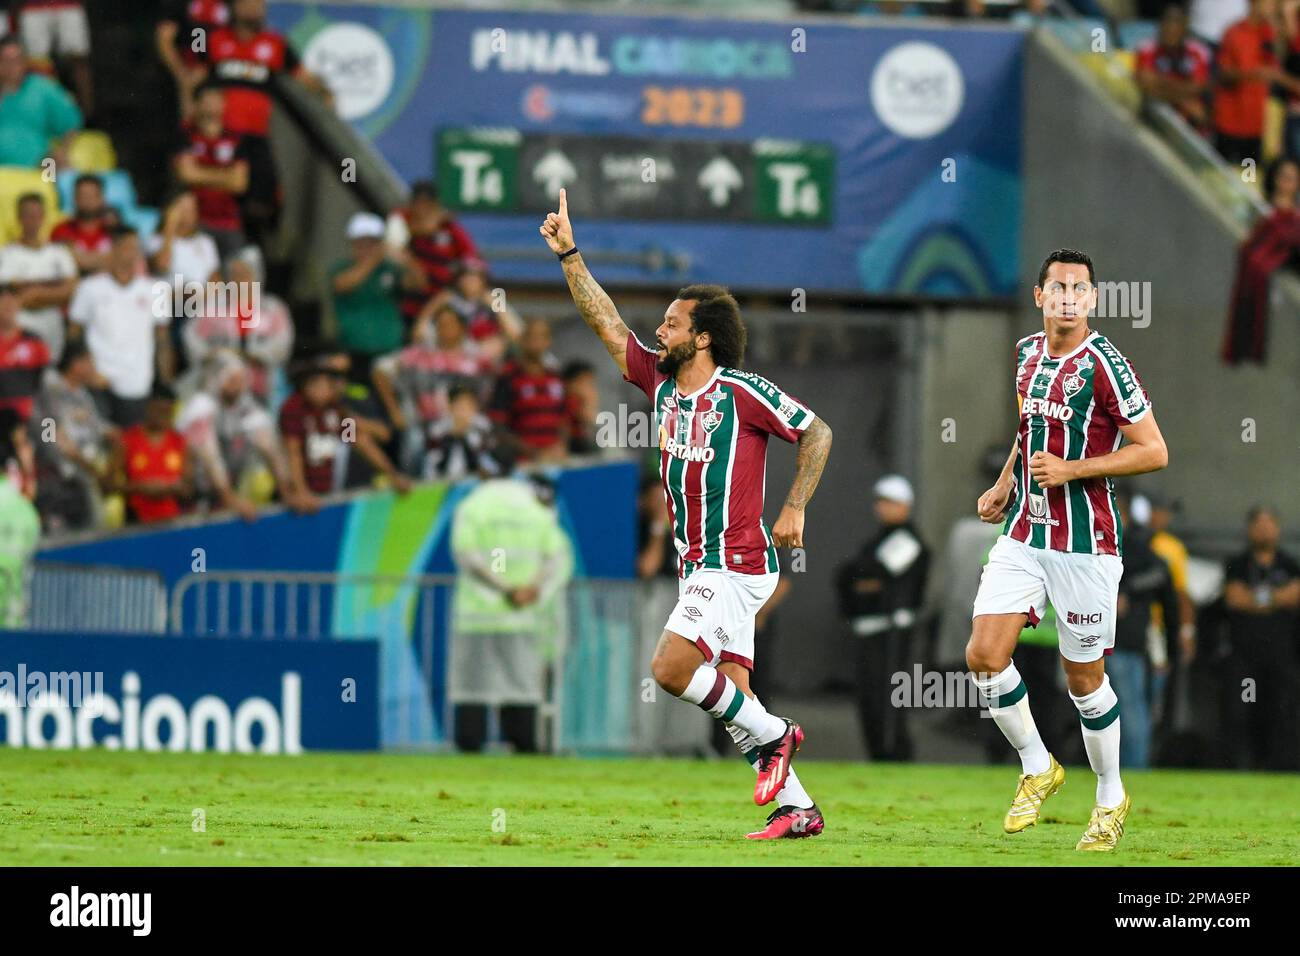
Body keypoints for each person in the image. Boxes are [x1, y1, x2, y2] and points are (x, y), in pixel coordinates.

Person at [540, 188, 834, 839]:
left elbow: (818, 433)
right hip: (700, 562)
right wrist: (570, 256)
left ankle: (780, 736)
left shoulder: (743, 392)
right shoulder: (659, 382)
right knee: (735, 695)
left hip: (734, 561)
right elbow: (607, 324)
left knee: (670, 669)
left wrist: (794, 505)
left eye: (672, 324)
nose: (660, 331)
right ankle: (799, 808)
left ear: (702, 337)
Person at [969, 248, 1169, 852]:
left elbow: (1154, 449)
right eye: (1056, 286)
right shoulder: (1027, 352)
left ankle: (1109, 795)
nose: (1066, 296)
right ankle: (1037, 764)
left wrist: (1074, 468)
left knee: (1083, 679)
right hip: (1025, 535)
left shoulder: (1107, 365)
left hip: (1087, 546)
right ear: (1039, 296)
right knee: (983, 656)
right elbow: (1030, 429)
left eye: (1078, 288)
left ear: (1092, 300)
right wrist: (1007, 480)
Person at [449, 475, 573, 753]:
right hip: (522, 617)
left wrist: (505, 589)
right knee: (520, 686)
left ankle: (469, 748)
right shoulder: (535, 507)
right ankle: (523, 745)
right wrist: (531, 590)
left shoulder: (473, 505)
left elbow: (466, 553)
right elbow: (558, 557)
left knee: (473, 688)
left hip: (476, 616)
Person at [835, 474, 930, 762]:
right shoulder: (877, 540)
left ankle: (894, 756)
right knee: (869, 699)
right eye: (880, 502)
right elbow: (847, 577)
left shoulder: (909, 541)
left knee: (888, 698)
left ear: (905, 506)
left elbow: (870, 572)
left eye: (889, 502)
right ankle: (878, 755)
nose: (882, 508)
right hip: (869, 632)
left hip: (891, 633)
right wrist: (861, 582)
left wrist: (863, 582)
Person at [67, 225, 174, 427]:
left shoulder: (156, 291)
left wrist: (163, 382)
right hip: (98, 381)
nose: (132, 253)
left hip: (137, 383)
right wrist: (87, 372)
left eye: (136, 248)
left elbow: (163, 340)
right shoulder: (90, 288)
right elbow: (74, 335)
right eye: (127, 247)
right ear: (114, 250)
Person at [1220, 506, 1300, 770]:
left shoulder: (1290, 564)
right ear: (1250, 529)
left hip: (1280, 658)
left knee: (1280, 712)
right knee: (1244, 708)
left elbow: (1295, 596)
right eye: (1259, 524)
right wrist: (1277, 597)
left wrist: (1254, 598)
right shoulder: (1239, 564)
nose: (1264, 529)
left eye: (1269, 523)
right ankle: (1244, 767)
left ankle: (1279, 769)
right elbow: (1234, 598)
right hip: (1246, 660)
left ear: (1277, 528)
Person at [371, 302, 493, 473]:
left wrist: (468, 413)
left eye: (451, 323)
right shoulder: (419, 355)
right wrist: (394, 411)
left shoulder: (476, 359)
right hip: (424, 424)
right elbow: (380, 370)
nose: (445, 328)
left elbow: (488, 389)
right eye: (441, 324)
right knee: (414, 442)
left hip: (465, 423)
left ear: (462, 327)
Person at [277, 356, 410, 512]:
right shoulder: (293, 409)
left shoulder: (336, 409)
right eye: (323, 382)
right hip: (297, 495)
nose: (331, 386)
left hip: (326, 491)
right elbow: (293, 453)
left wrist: (392, 474)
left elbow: (360, 442)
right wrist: (301, 491)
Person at [1108, 492, 1179, 770]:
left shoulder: (1134, 546)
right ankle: (1107, 771)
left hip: (1125, 641)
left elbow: (1161, 576)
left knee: (1130, 707)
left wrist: (1126, 591)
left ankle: (1133, 770)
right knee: (1102, 708)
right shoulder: (1088, 542)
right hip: (1085, 642)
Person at [32, 340, 116, 533]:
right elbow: (49, 439)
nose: (94, 366)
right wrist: (91, 469)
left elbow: (97, 428)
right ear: (76, 364)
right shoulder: (48, 393)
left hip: (86, 475)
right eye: (89, 360)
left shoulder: (83, 395)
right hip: (60, 479)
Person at [1224, 157, 1300, 364]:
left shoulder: (1295, 219)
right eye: (1284, 177)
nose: (1287, 183)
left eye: (1293, 179)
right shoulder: (1261, 210)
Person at [329, 212, 415, 386]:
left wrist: (405, 258)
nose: (367, 248)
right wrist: (377, 256)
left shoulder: (390, 269)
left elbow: (417, 284)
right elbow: (343, 285)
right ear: (352, 243)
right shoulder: (341, 269)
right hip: (354, 353)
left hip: (388, 353)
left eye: (372, 242)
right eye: (361, 243)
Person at [1213, 0, 1300, 165]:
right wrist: (1250, 75)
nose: (1272, 8)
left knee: (1249, 177)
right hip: (1228, 121)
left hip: (1257, 128)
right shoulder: (1234, 32)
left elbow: (1280, 63)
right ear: (1253, 3)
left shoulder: (1272, 34)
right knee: (1217, 173)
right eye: (1268, 3)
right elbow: (1223, 75)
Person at [174, 83, 251, 261]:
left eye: (216, 99)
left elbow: (239, 183)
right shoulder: (186, 133)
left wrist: (200, 173)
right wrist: (225, 176)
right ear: (197, 104)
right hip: (194, 222)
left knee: (232, 281)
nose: (211, 104)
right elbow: (186, 174)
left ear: (224, 104)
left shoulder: (236, 136)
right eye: (206, 99)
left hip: (229, 222)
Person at [393, 180, 480, 332]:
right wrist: (423, 229)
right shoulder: (401, 220)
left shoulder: (449, 228)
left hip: (441, 302)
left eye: (427, 203)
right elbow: (392, 245)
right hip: (409, 301)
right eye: (417, 203)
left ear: (435, 205)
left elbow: (472, 258)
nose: (421, 208)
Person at [0, 193, 76, 360]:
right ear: (19, 217)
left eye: (36, 215)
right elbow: (10, 294)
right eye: (27, 215)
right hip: (22, 324)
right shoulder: (6, 254)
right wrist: (53, 288)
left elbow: (70, 291)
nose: (32, 220)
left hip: (53, 324)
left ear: (43, 217)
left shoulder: (59, 253)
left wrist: (31, 292)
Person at [110, 382, 193, 524]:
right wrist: (139, 487)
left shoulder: (179, 442)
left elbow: (188, 488)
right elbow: (107, 485)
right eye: (159, 411)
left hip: (172, 520)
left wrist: (169, 489)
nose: (163, 417)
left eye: (168, 412)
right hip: (135, 520)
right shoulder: (127, 441)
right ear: (148, 407)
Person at [488, 317, 569, 463]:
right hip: (523, 463)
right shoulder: (508, 377)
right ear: (522, 340)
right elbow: (498, 425)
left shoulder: (556, 378)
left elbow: (564, 420)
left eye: (542, 336)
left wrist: (560, 446)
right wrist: (533, 453)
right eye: (531, 336)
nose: (536, 341)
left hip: (555, 461)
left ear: (549, 341)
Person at [0, 34, 81, 169]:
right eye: (6, 60)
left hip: (38, 172)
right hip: (2, 176)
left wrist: (61, 152)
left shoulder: (45, 89)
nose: (13, 66)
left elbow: (71, 125)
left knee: (54, 168)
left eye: (18, 59)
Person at [1135, 5, 1211, 131]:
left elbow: (1197, 88)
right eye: (1167, 25)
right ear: (1161, 26)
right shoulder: (1147, 49)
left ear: (1184, 30)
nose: (1171, 31)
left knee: (1201, 115)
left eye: (1176, 26)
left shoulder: (1198, 52)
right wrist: (1183, 99)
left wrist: (1159, 81)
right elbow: (1146, 84)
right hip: (1155, 110)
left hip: (1186, 119)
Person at [14, 0, 92, 116]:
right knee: (37, 64)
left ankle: (86, 118)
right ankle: (43, 113)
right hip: (33, 6)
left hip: (69, 5)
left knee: (77, 60)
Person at [156, 0, 230, 120]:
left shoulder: (230, 4)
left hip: (220, 73)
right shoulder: (182, 6)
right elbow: (165, 38)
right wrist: (184, 73)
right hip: (192, 73)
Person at [0, 407, 40, 627]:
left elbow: (29, 497)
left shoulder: (18, 460)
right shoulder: (8, 464)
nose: (23, 434)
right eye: (19, 430)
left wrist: (28, 463)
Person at [422, 384, 501, 482]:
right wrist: (452, 437)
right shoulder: (438, 431)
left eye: (469, 406)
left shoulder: (483, 427)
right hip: (445, 482)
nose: (465, 411)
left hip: (476, 481)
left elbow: (491, 463)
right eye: (460, 406)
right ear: (450, 407)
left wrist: (466, 437)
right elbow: (431, 466)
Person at [148, 190, 220, 294]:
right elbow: (162, 265)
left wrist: (204, 295)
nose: (189, 214)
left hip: (201, 302)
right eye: (184, 209)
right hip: (170, 302)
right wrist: (170, 227)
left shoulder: (205, 241)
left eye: (193, 208)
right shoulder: (156, 240)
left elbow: (215, 278)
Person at [0, 279, 51, 422]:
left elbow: (42, 388)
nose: (7, 304)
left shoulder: (35, 342)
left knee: (50, 435)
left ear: (19, 304)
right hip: (4, 420)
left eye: (12, 299)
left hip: (31, 416)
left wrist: (52, 429)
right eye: (2, 300)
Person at [49, 174, 111, 275]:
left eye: (92, 196)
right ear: (74, 198)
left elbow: (122, 260)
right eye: (82, 196)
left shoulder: (113, 230)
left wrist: (79, 257)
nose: (87, 201)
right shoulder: (61, 230)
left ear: (101, 199)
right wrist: (103, 259)